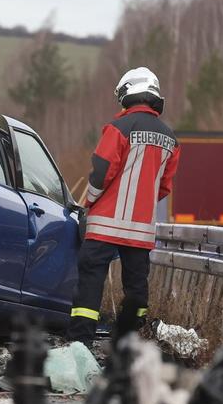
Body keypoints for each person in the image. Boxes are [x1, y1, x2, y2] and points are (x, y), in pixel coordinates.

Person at [66, 67, 180, 344]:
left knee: (91, 284)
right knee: (136, 289)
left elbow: (101, 172)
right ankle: (132, 342)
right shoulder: (170, 140)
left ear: (127, 93)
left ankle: (81, 343)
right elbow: (164, 186)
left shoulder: (118, 128)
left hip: (104, 225)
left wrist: (88, 201)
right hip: (140, 231)